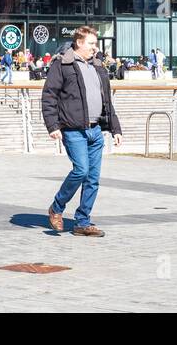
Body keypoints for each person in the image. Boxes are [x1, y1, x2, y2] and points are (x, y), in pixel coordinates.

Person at [42, 26, 123, 237]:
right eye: (92, 44)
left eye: (95, 44)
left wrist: (115, 129)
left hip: (95, 131)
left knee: (93, 178)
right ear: (79, 43)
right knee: (81, 171)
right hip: (73, 130)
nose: (95, 48)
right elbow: (49, 96)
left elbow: (107, 101)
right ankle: (57, 207)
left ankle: (82, 222)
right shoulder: (63, 64)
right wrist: (53, 126)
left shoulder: (98, 67)